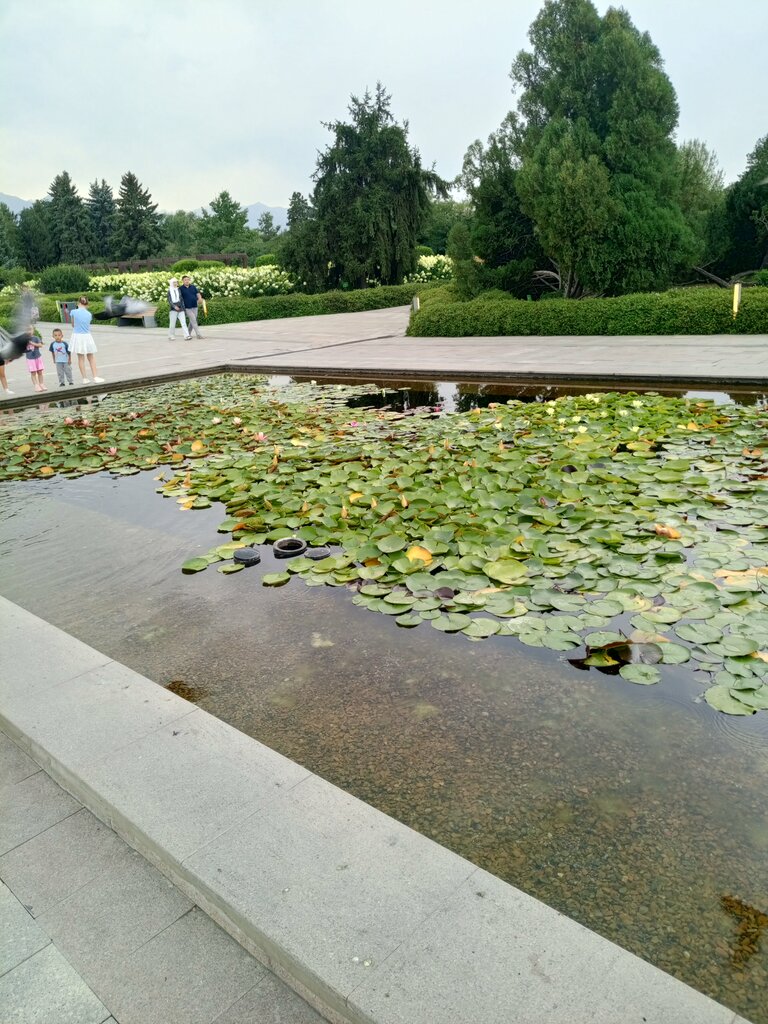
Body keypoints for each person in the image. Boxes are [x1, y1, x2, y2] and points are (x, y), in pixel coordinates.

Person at [69, 296, 105, 385]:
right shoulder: (89, 314)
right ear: (87, 304)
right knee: (91, 357)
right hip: (87, 336)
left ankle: (84, 379)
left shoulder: (73, 312)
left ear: (78, 303)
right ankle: (95, 377)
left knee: (80, 358)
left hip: (77, 336)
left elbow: (73, 324)